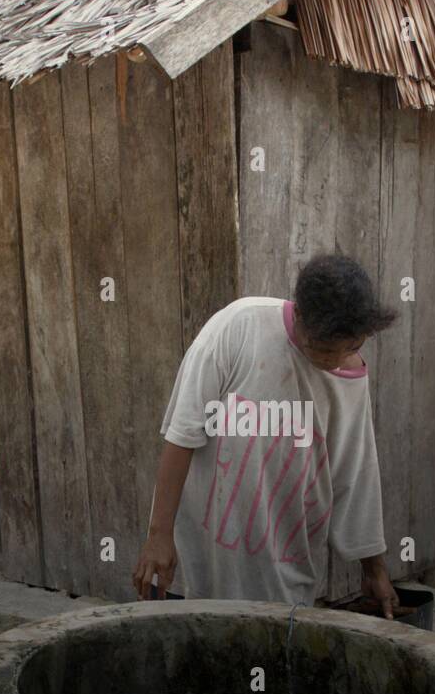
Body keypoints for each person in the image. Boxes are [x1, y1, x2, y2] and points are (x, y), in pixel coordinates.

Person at [133, 254, 400, 616]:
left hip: (288, 565)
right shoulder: (238, 327)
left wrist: (375, 569)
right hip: (207, 556)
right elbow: (182, 433)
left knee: (276, 656)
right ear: (300, 316)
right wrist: (159, 535)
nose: (337, 360)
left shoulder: (348, 375)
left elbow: (355, 473)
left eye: (351, 347)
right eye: (324, 350)